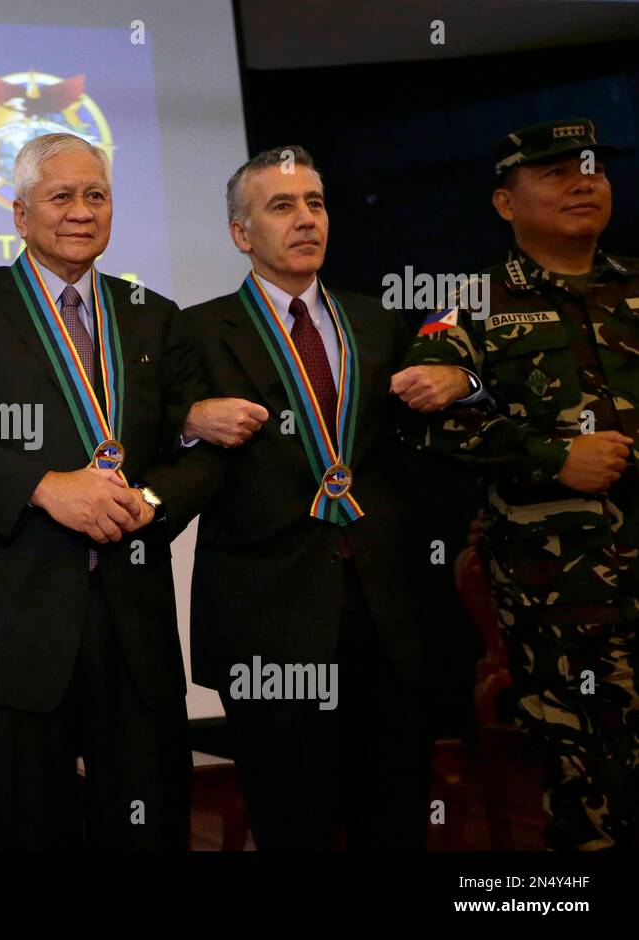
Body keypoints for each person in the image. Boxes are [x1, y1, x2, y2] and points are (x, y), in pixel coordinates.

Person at [0, 132, 220, 849]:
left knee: (148, 827)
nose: (80, 211)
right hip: (7, 629)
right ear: (20, 214)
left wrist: (153, 502)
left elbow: (198, 448)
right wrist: (43, 487)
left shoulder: (152, 313)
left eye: (95, 195)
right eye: (60, 196)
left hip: (134, 626)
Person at [180, 145, 437, 849]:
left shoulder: (378, 320)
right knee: (292, 819)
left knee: (395, 813)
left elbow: (427, 431)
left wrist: (463, 385)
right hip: (267, 615)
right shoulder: (195, 330)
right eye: (282, 206)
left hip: (386, 609)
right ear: (242, 234)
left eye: (315, 204)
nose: (305, 220)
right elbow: (142, 429)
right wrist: (188, 419)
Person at [396, 118, 639, 850]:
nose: (583, 182)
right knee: (595, 793)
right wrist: (549, 457)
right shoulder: (472, 306)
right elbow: (421, 423)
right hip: (563, 599)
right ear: (506, 203)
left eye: (592, 168)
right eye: (557, 172)